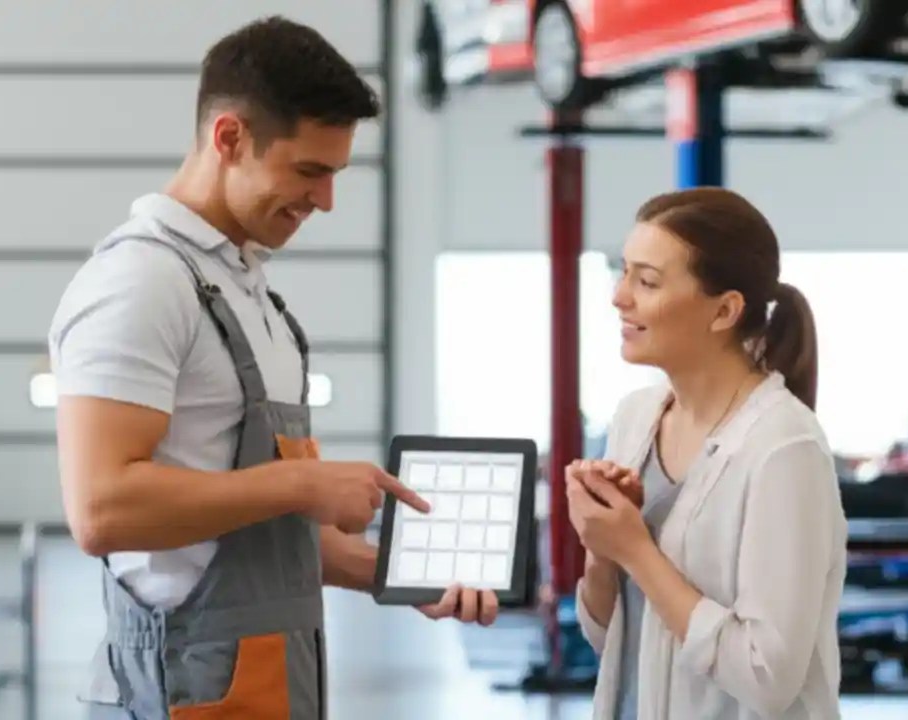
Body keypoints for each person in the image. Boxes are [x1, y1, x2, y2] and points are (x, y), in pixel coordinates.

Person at [48, 17, 498, 719]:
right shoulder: (141, 283)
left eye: (335, 174)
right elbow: (101, 509)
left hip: (267, 687)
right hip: (179, 693)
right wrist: (300, 482)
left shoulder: (245, 290)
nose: (324, 200)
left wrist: (416, 578)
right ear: (229, 138)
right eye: (308, 171)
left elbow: (277, 545)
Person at [564, 187, 847, 719]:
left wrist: (636, 551)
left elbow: (768, 676)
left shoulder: (783, 447)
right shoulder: (635, 418)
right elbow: (610, 638)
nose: (619, 296)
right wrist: (601, 544)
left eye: (646, 281)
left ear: (724, 311)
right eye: (623, 273)